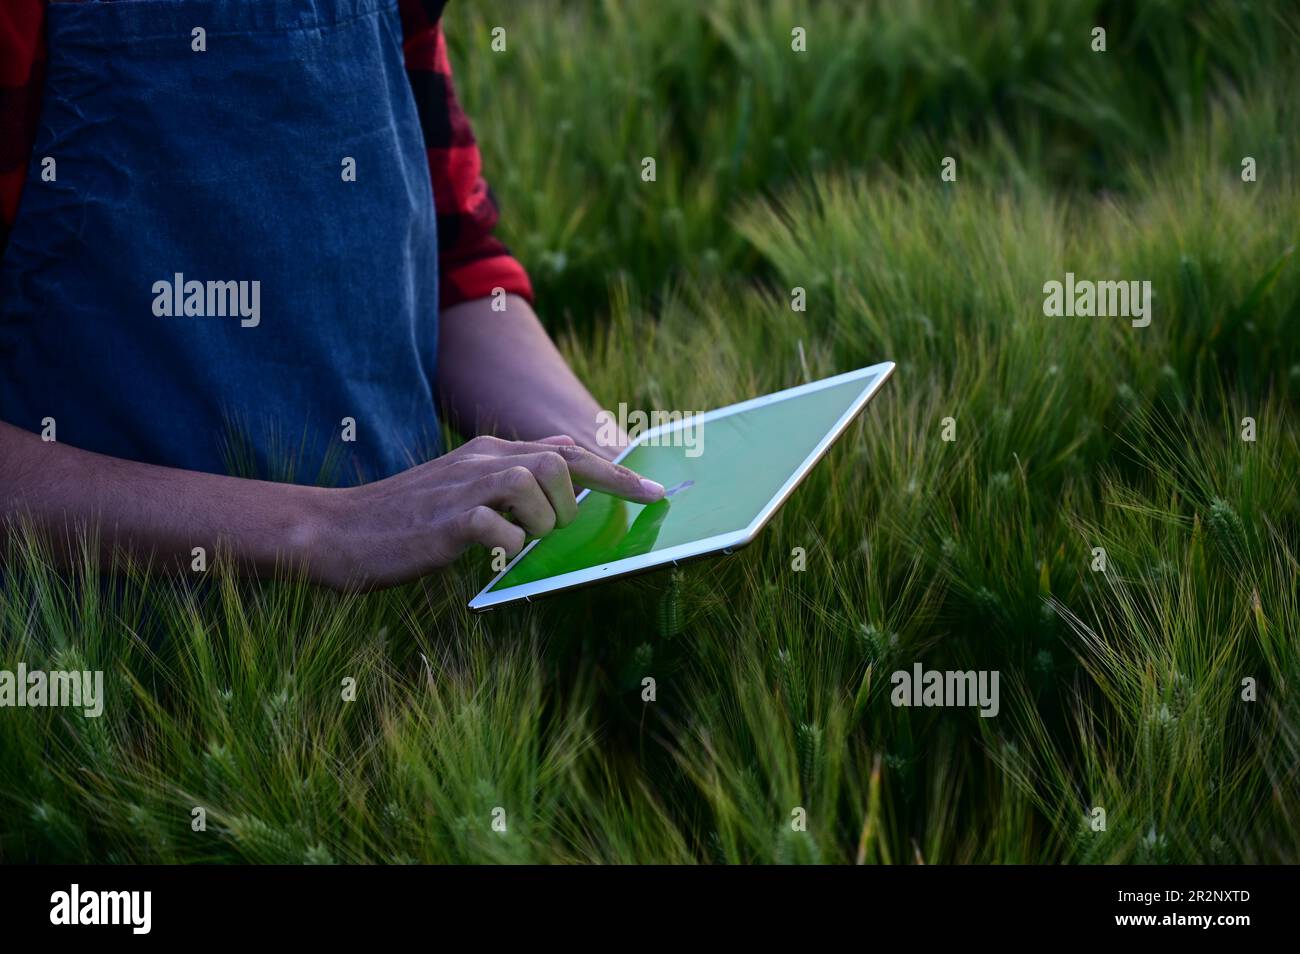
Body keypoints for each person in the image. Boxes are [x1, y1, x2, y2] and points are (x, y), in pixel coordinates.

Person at [0, 0, 663, 591]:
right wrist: (328, 528)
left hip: (404, 661)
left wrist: (597, 451)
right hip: (114, 676)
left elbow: (454, 265)